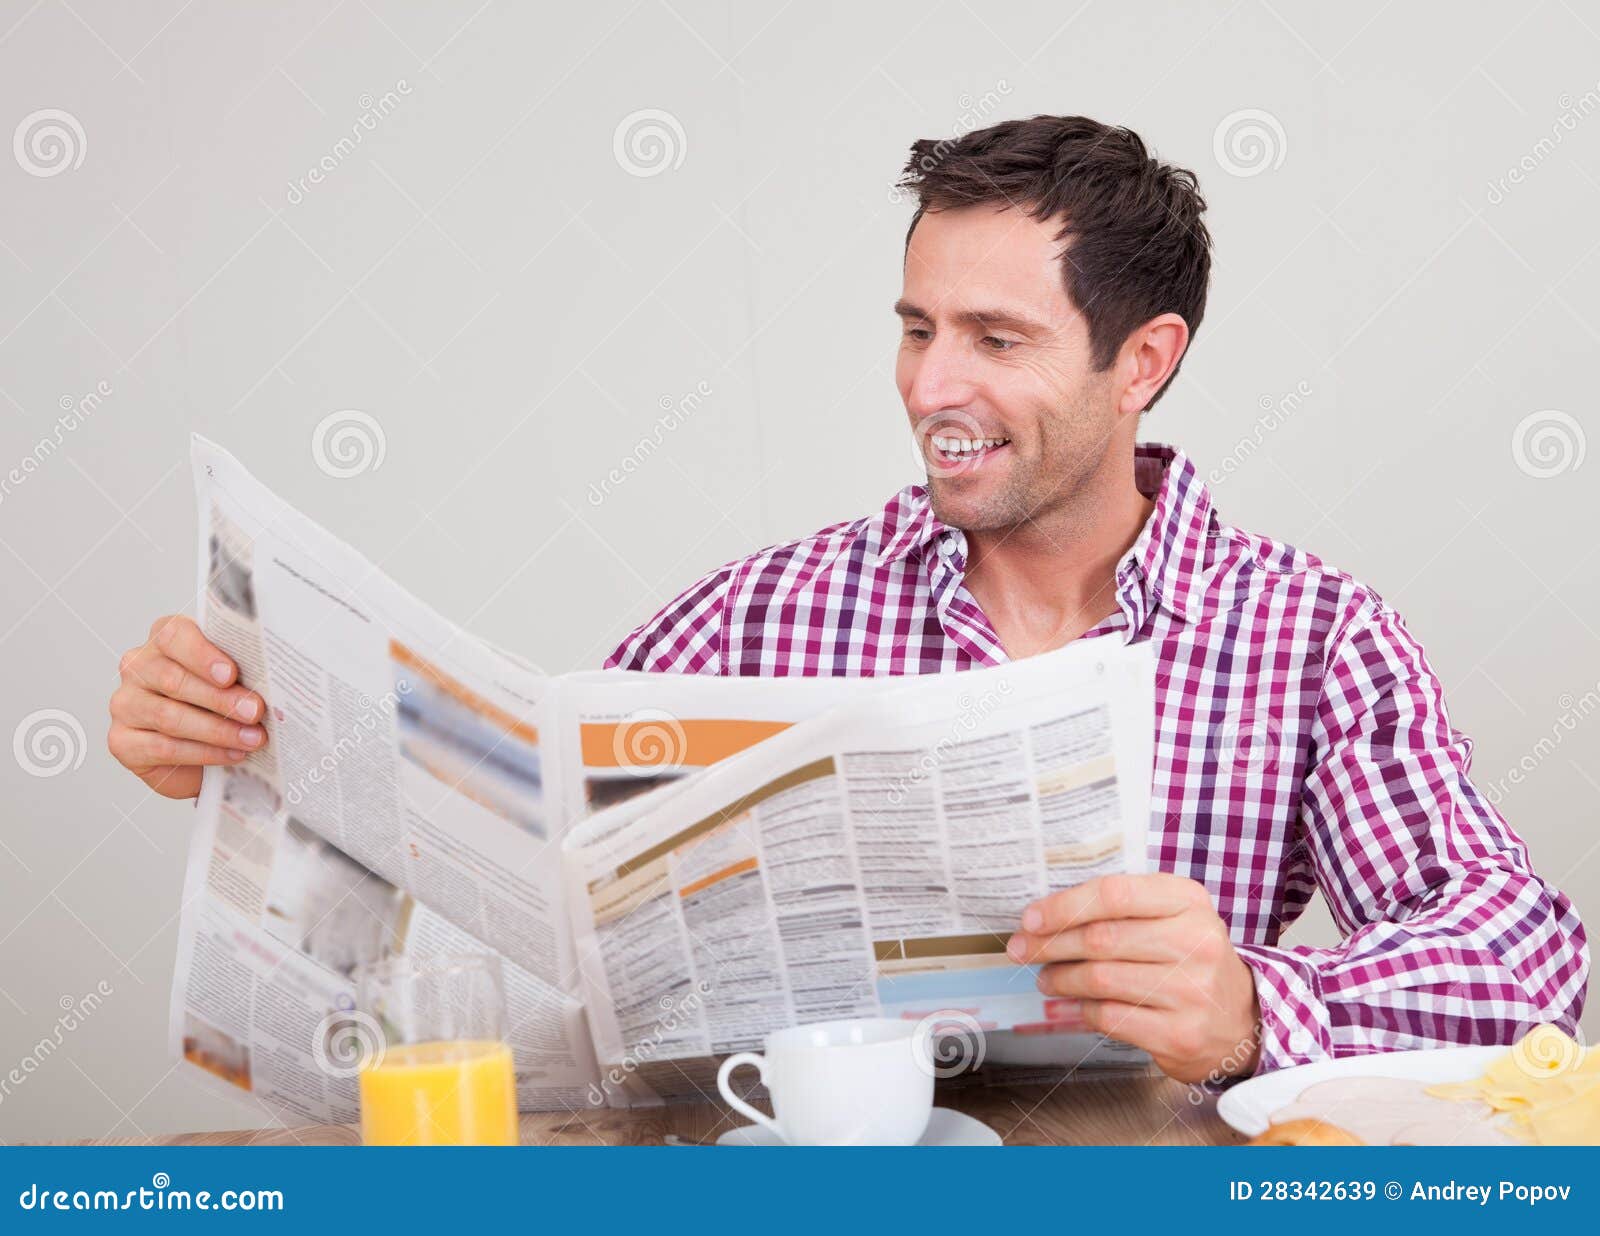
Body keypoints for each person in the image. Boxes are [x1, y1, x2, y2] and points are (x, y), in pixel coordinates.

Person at [109, 115, 1587, 1085]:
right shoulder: (765, 614)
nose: (931, 387)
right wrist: (257, 739)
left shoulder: (1311, 637)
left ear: (1141, 362)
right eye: (916, 327)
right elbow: (520, 867)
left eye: (995, 338)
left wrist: (1262, 1010)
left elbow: (1532, 968)